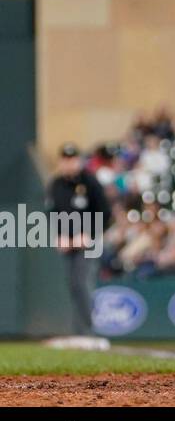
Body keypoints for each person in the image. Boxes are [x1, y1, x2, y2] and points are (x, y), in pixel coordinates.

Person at [47, 145, 113, 339]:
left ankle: (88, 331)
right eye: (65, 159)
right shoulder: (56, 184)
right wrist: (59, 236)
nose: (69, 163)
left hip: (88, 243)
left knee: (82, 282)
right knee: (72, 284)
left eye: (72, 159)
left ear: (78, 160)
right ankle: (77, 331)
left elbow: (105, 213)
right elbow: (52, 214)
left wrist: (88, 233)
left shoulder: (90, 182)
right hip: (67, 244)